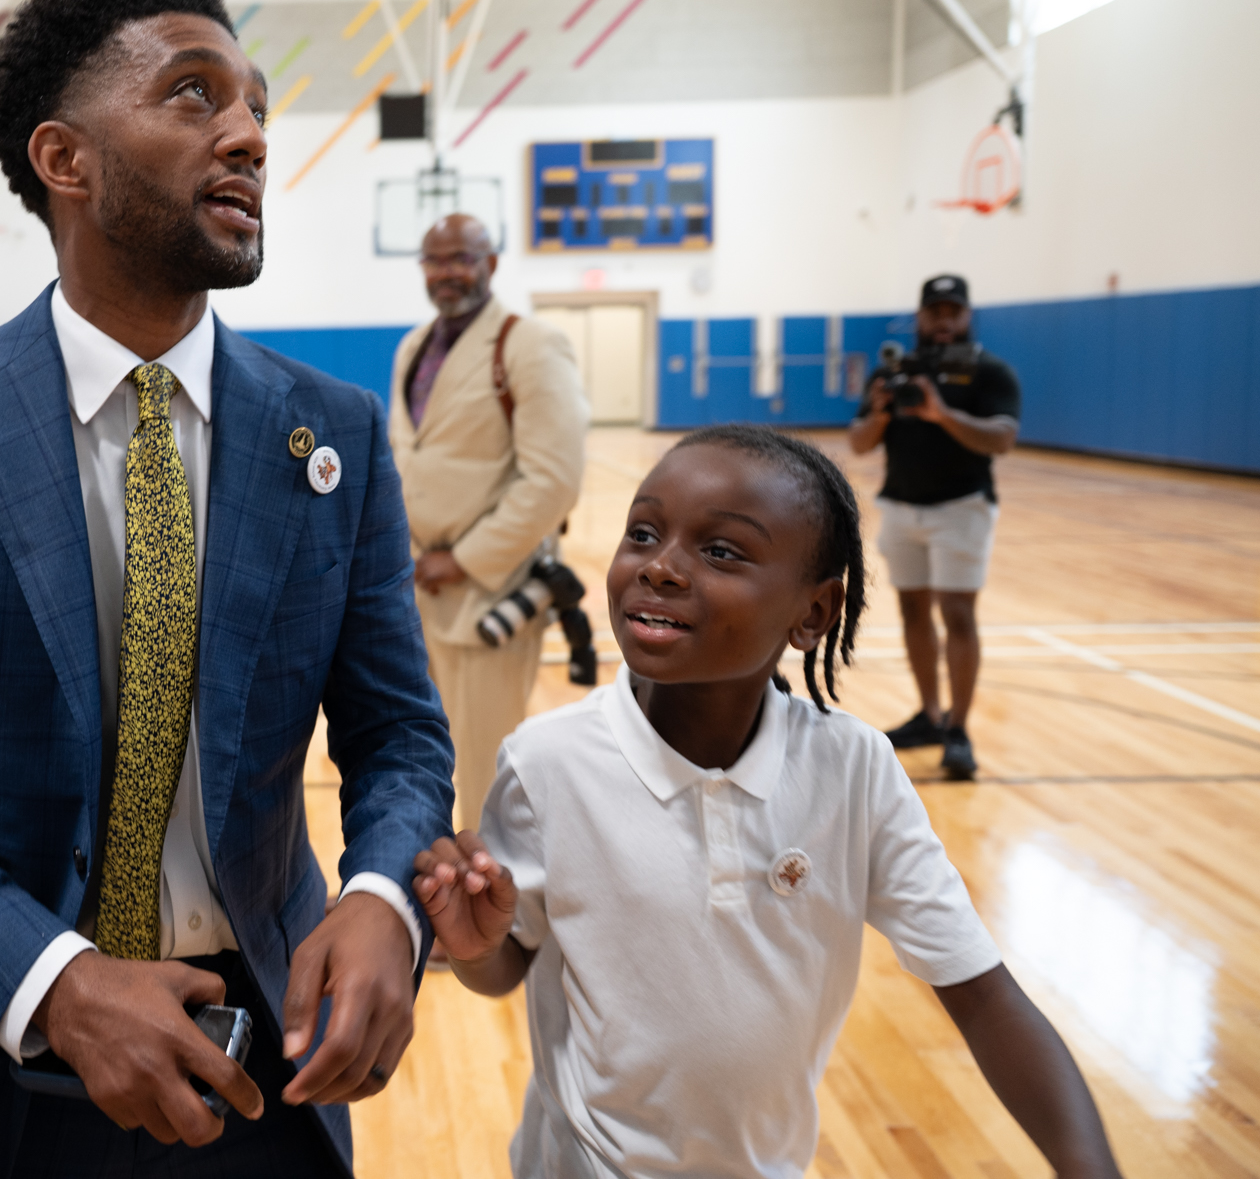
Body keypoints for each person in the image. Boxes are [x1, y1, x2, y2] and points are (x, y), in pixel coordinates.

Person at [0, 0, 456, 1178]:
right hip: (0, 1065)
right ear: (64, 160)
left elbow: (400, 735)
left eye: (257, 104)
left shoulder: (337, 433)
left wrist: (380, 898)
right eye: (196, 95)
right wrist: (52, 981)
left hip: (269, 1056)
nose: (249, 134)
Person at [411, 425, 1121, 1179]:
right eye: (644, 533)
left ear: (813, 614)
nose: (660, 566)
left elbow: (981, 994)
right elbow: (505, 965)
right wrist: (475, 944)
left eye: (720, 551)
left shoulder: (853, 770)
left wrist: (1088, 1162)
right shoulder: (547, 762)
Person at [387, 213, 588, 829]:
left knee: (486, 767)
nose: (447, 272)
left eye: (461, 258)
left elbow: (553, 480)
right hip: (420, 590)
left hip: (487, 592)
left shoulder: (530, 345)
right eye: (435, 260)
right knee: (419, 753)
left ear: (491, 264)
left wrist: (464, 558)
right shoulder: (414, 346)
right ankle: (437, 886)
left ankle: (497, 907)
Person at [849, 274, 1021, 780]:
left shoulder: (991, 372)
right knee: (911, 609)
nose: (943, 321)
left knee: (958, 614)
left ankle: (959, 728)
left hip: (962, 508)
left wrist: (941, 414)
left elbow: (1001, 439)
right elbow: (859, 442)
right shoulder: (896, 372)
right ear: (920, 316)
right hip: (902, 507)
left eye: (953, 312)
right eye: (935, 312)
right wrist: (881, 412)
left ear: (967, 315)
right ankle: (929, 713)